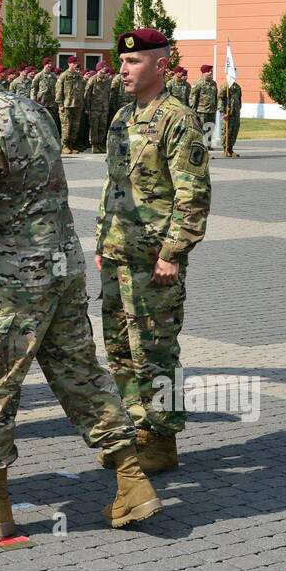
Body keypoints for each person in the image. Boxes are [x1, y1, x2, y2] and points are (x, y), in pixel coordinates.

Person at [0, 28, 161, 536]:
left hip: (14, 278)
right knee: (80, 375)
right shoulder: (30, 108)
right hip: (62, 266)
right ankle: (132, 482)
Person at [97, 28, 211, 476]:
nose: (122, 70)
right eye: (122, 62)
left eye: (133, 62)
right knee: (121, 349)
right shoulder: (122, 118)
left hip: (154, 262)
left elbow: (194, 195)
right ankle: (138, 428)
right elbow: (115, 186)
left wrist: (173, 253)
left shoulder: (177, 119)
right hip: (119, 253)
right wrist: (102, 240)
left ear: (160, 65)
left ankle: (163, 439)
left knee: (156, 352)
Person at [55, 57, 85, 154]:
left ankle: (72, 145)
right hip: (66, 105)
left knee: (75, 127)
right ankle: (65, 146)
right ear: (69, 64)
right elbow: (58, 91)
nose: (75, 64)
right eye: (73, 63)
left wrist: (81, 103)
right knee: (66, 127)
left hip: (77, 105)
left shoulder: (79, 75)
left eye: (76, 63)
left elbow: (82, 89)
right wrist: (60, 105)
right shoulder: (63, 76)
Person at [190, 64, 219, 150]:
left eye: (211, 71)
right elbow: (193, 98)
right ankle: (200, 147)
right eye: (208, 71)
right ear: (203, 73)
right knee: (201, 130)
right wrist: (193, 111)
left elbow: (215, 96)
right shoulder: (198, 83)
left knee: (210, 128)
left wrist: (216, 107)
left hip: (211, 110)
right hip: (201, 111)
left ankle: (208, 145)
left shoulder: (214, 83)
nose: (211, 73)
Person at [31, 57, 59, 131]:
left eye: (50, 64)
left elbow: (57, 88)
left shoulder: (53, 76)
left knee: (52, 122)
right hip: (42, 103)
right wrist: (33, 101)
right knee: (42, 122)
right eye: (47, 64)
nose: (49, 65)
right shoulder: (39, 76)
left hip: (52, 104)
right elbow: (34, 89)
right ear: (44, 65)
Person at [218, 76, 242, 157]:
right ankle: (225, 149)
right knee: (226, 130)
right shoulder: (225, 86)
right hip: (227, 113)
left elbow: (239, 99)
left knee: (234, 131)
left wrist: (238, 109)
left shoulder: (237, 87)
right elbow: (220, 99)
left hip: (235, 113)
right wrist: (223, 112)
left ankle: (231, 149)